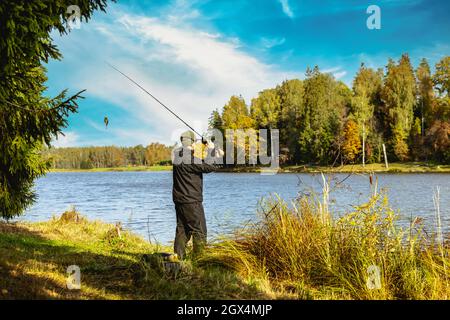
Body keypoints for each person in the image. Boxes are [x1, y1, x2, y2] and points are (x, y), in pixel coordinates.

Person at [172, 131, 223, 259]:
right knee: (200, 231)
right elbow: (209, 166)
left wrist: (213, 153)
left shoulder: (178, 156)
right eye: (195, 142)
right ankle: (199, 260)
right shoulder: (190, 159)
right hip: (192, 201)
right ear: (192, 143)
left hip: (179, 200)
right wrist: (212, 150)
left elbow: (202, 164)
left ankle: (178, 258)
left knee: (182, 230)